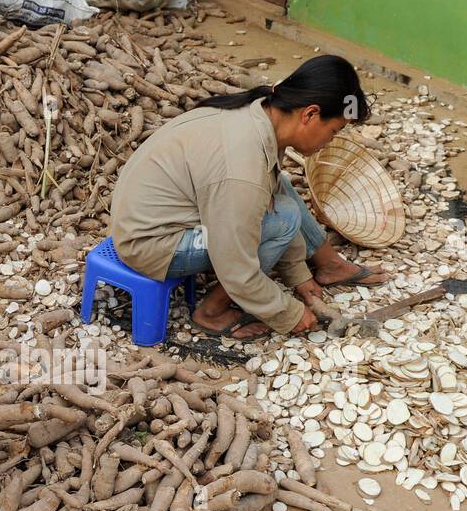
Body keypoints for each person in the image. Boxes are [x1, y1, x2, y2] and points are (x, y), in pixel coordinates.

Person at [109, 55, 388, 340]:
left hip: (154, 214)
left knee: (283, 193)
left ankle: (327, 265)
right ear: (310, 114)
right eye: (333, 131)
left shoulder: (259, 112)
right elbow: (236, 266)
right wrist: (288, 313)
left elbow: (273, 190)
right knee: (283, 218)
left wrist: (299, 276)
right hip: (150, 243)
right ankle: (211, 312)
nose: (330, 141)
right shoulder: (242, 166)